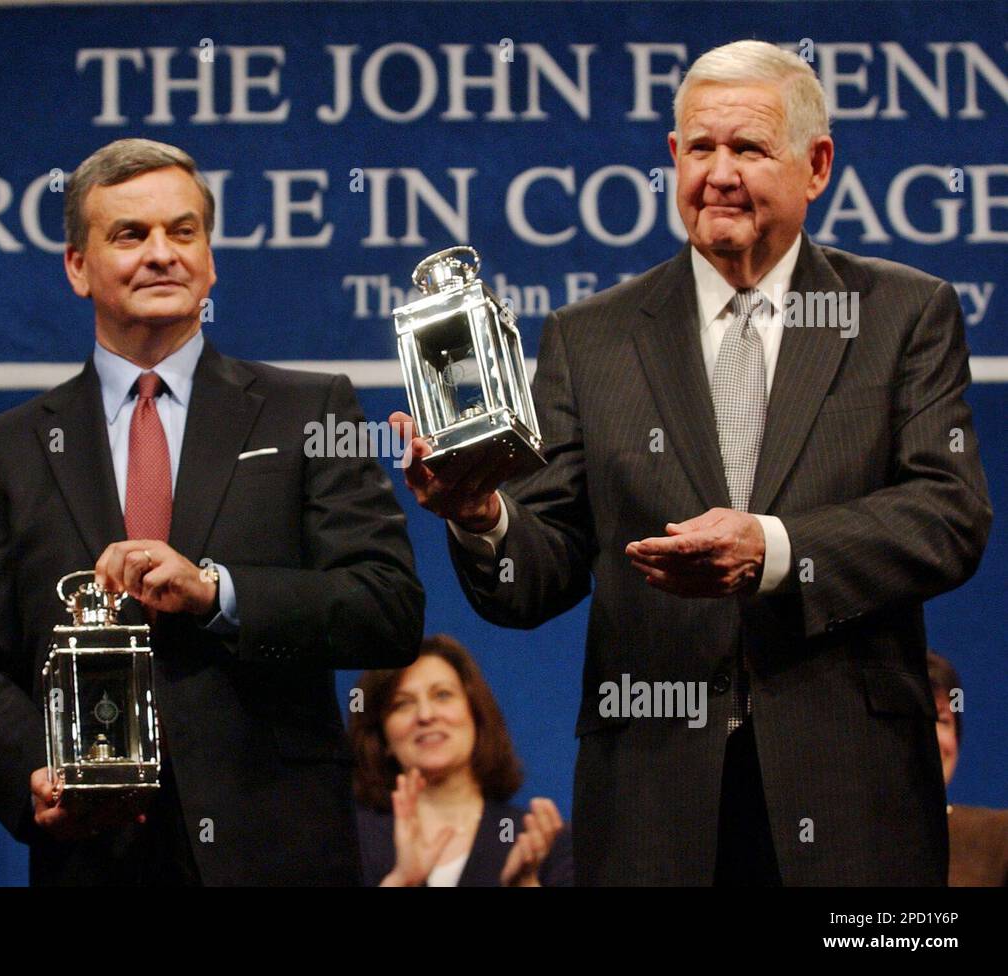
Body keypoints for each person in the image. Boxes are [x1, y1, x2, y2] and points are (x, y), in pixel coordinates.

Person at [392, 40, 991, 885]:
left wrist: (774, 549)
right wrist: (482, 515)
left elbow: (949, 514)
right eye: (700, 148)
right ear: (673, 158)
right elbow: (541, 572)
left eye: (748, 148)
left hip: (853, 792)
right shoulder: (592, 336)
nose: (719, 173)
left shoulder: (902, 314)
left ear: (816, 165)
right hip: (654, 796)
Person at [0, 138, 424, 886]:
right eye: (131, 235)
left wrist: (216, 592)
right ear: (76, 266)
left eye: (183, 231)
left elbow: (385, 607)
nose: (161, 254)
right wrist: (42, 770)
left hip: (279, 849)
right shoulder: (2, 453)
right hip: (94, 856)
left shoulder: (310, 410)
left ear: (211, 260)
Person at [351, 634, 572, 886]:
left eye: (442, 695)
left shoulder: (541, 844)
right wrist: (400, 881)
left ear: (476, 714)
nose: (425, 715)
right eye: (402, 704)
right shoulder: (351, 840)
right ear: (383, 737)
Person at [928, 650, 1008, 886]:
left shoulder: (998, 837)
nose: (930, 736)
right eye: (915, 721)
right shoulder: (839, 843)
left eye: (942, 720)